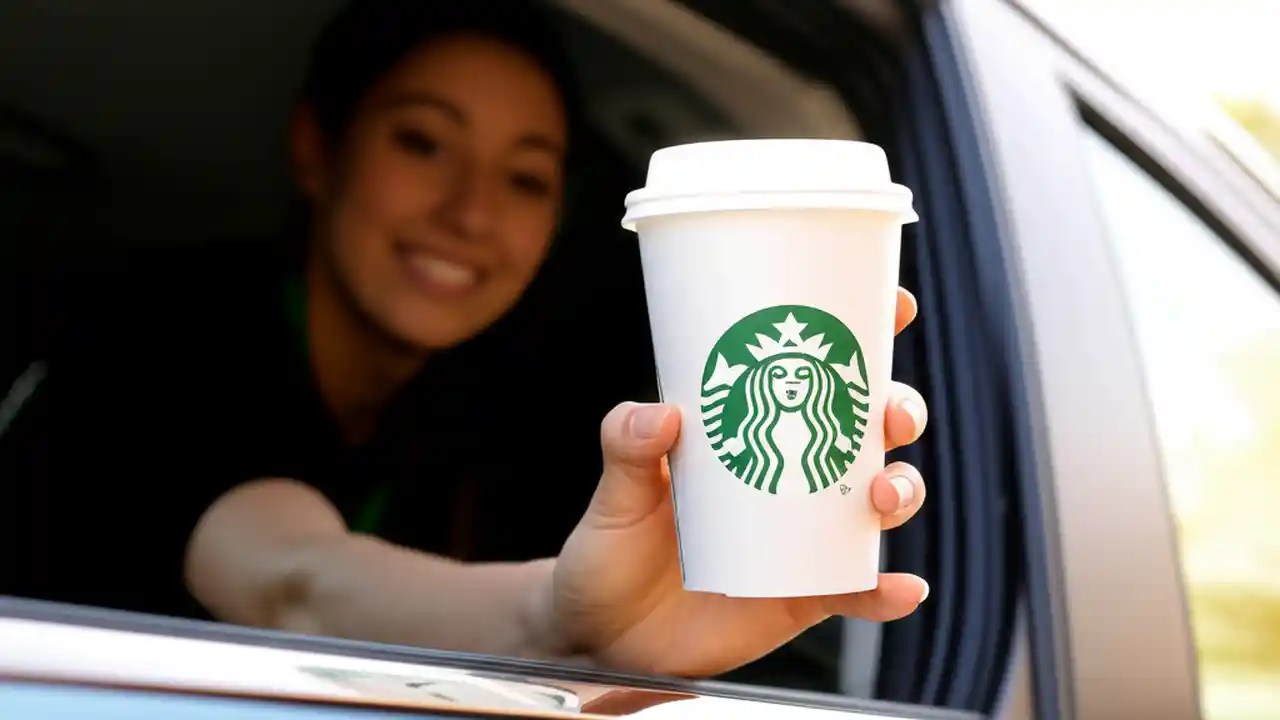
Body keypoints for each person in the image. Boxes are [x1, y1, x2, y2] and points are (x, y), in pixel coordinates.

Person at [0, 0, 930, 679]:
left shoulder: (505, 408)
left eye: (526, 180)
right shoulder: (161, 340)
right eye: (422, 143)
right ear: (318, 148)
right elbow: (297, 580)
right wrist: (554, 619)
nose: (471, 214)